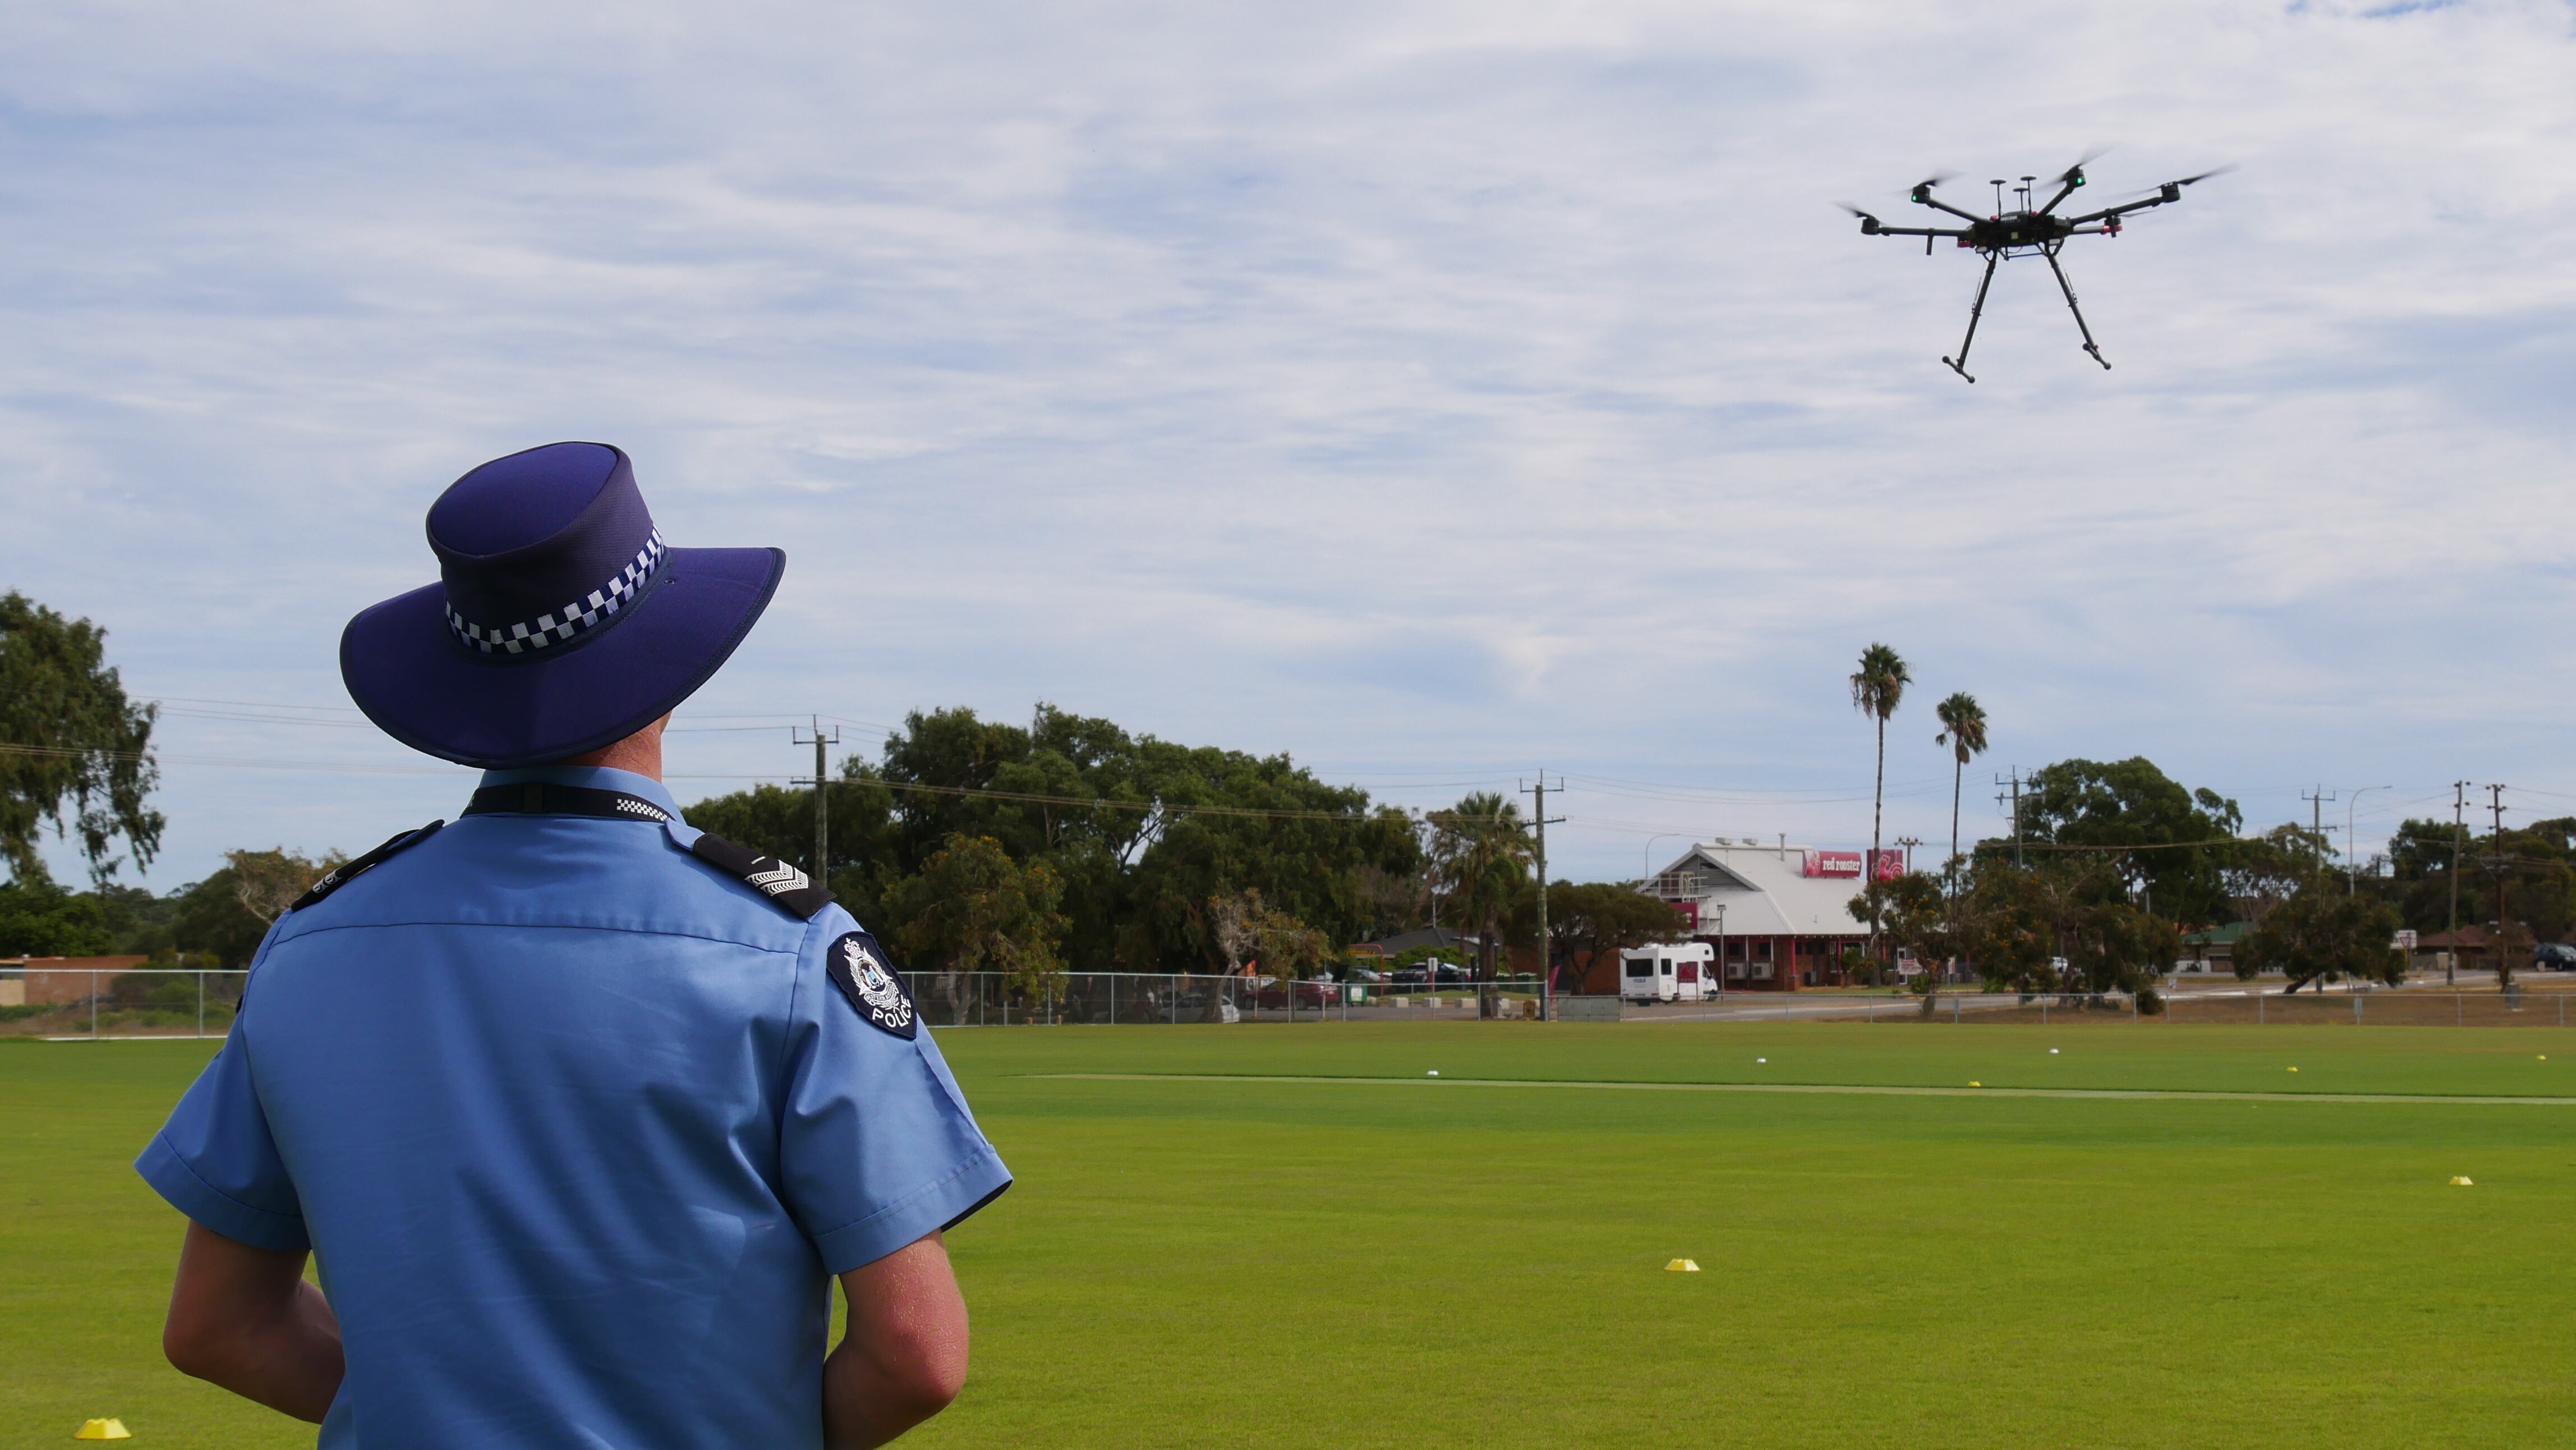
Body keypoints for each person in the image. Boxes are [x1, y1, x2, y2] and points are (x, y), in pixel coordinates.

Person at [137, 442, 1010, 1449]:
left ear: (460, 676)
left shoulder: (311, 946)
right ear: (670, 667)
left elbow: (220, 1325)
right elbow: (916, 1352)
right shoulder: (787, 948)